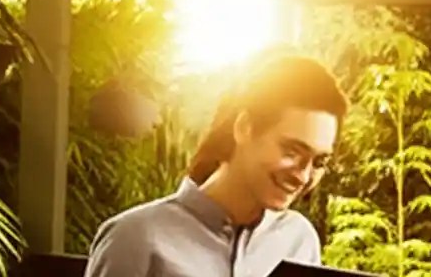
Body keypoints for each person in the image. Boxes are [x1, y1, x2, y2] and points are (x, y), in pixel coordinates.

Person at [84, 54, 348, 277]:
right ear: (245, 128)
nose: (303, 176)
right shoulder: (134, 238)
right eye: (292, 150)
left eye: (319, 162)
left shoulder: (299, 239)